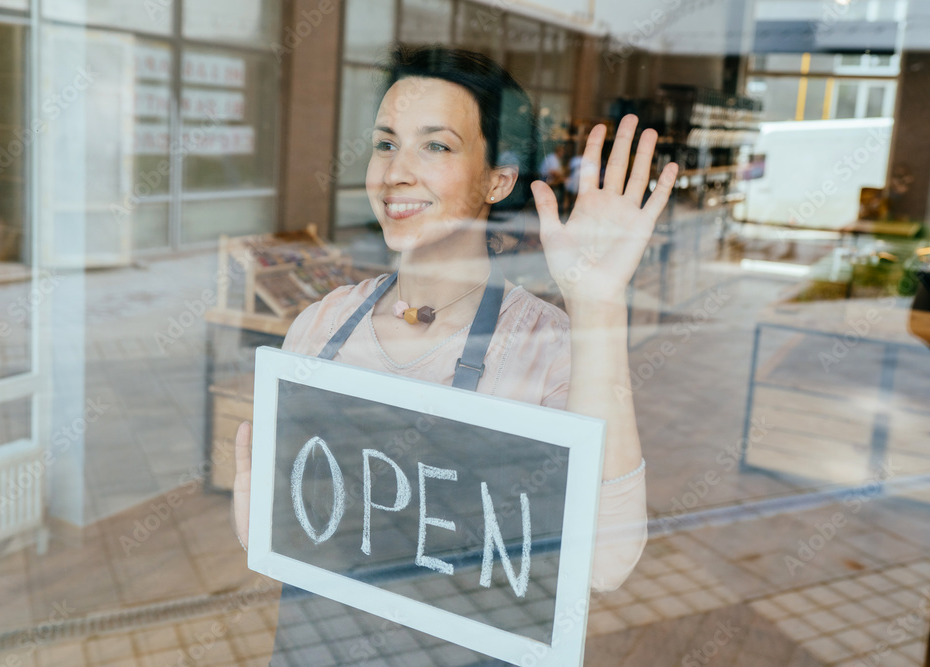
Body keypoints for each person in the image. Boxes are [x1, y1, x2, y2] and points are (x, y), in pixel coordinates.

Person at [232, 44, 678, 665]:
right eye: (386, 143)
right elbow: (283, 533)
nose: (395, 173)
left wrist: (599, 305)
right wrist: (258, 503)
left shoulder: (548, 347)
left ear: (497, 179)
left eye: (435, 146)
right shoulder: (324, 324)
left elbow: (604, 562)